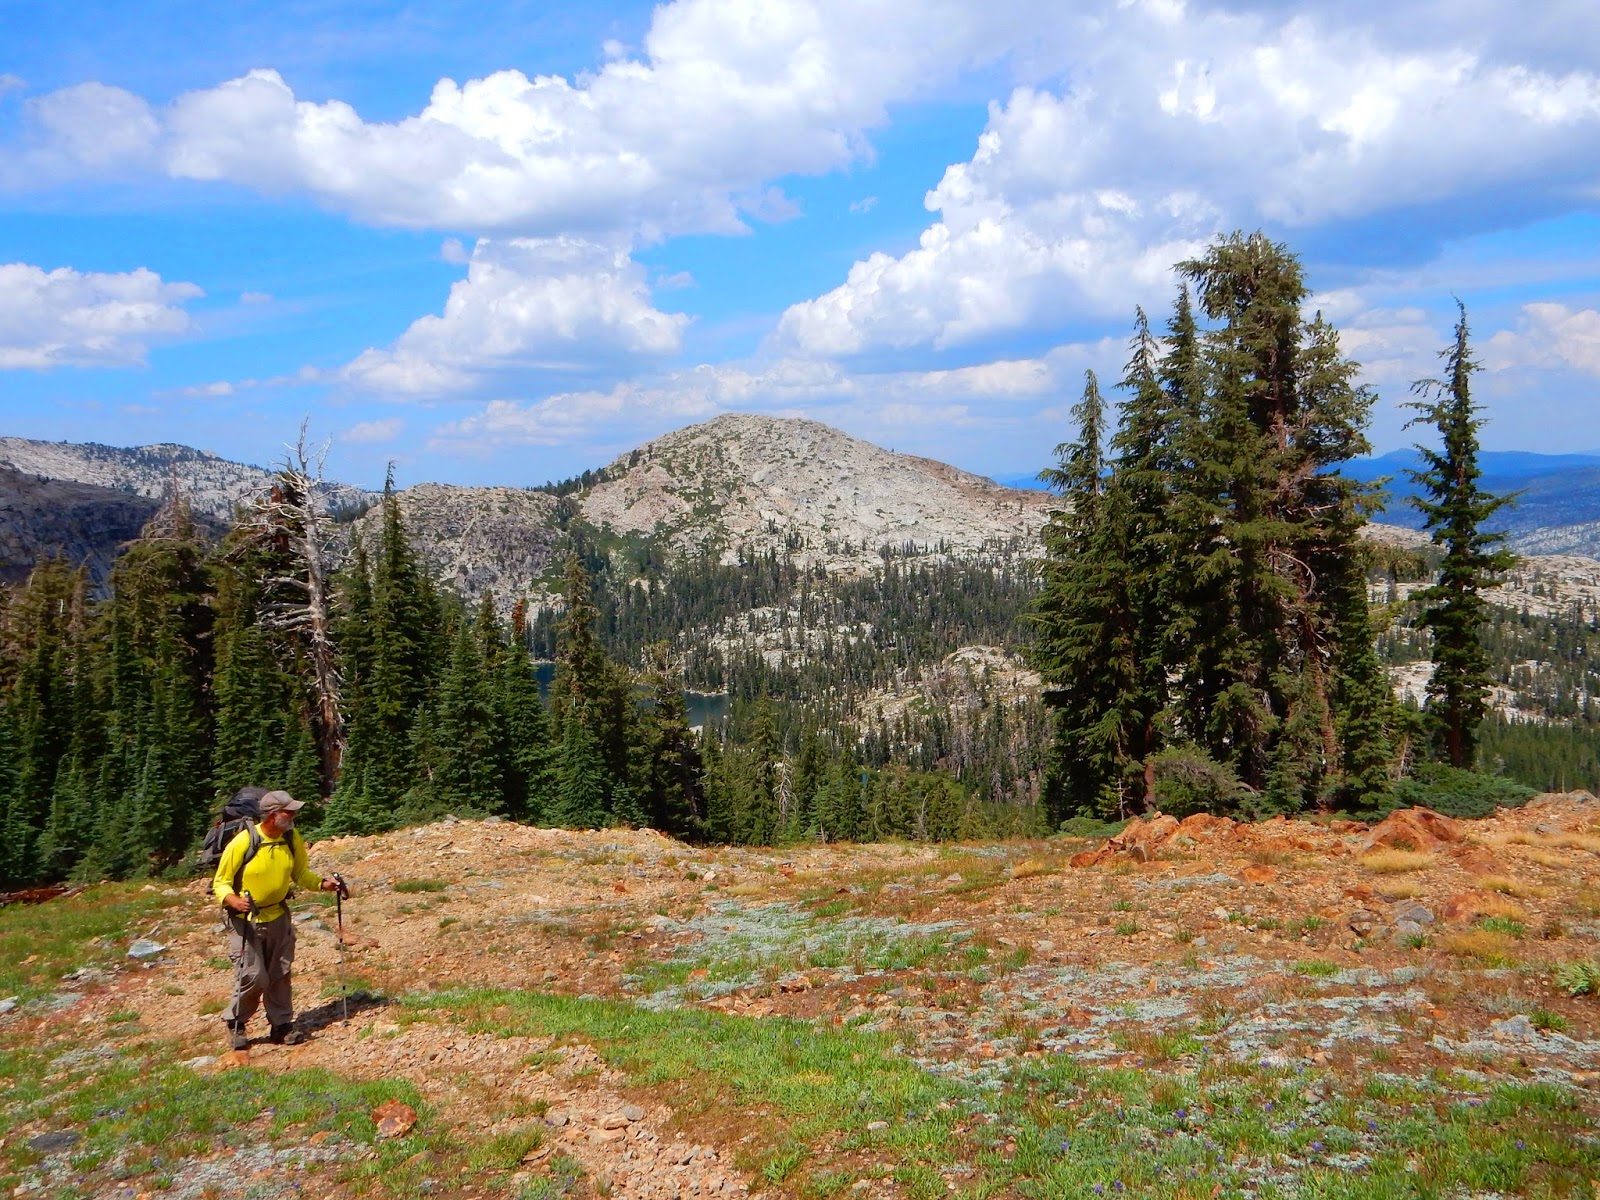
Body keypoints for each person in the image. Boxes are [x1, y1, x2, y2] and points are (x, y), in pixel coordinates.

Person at [211, 789, 349, 1050]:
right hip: (246, 919)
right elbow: (221, 882)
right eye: (289, 811)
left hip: (278, 915)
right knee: (253, 974)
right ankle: (236, 1024)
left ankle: (281, 1026)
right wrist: (233, 900)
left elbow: (300, 873)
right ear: (272, 815)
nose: (294, 815)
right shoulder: (243, 841)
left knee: (280, 973)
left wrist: (322, 884)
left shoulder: (290, 837)